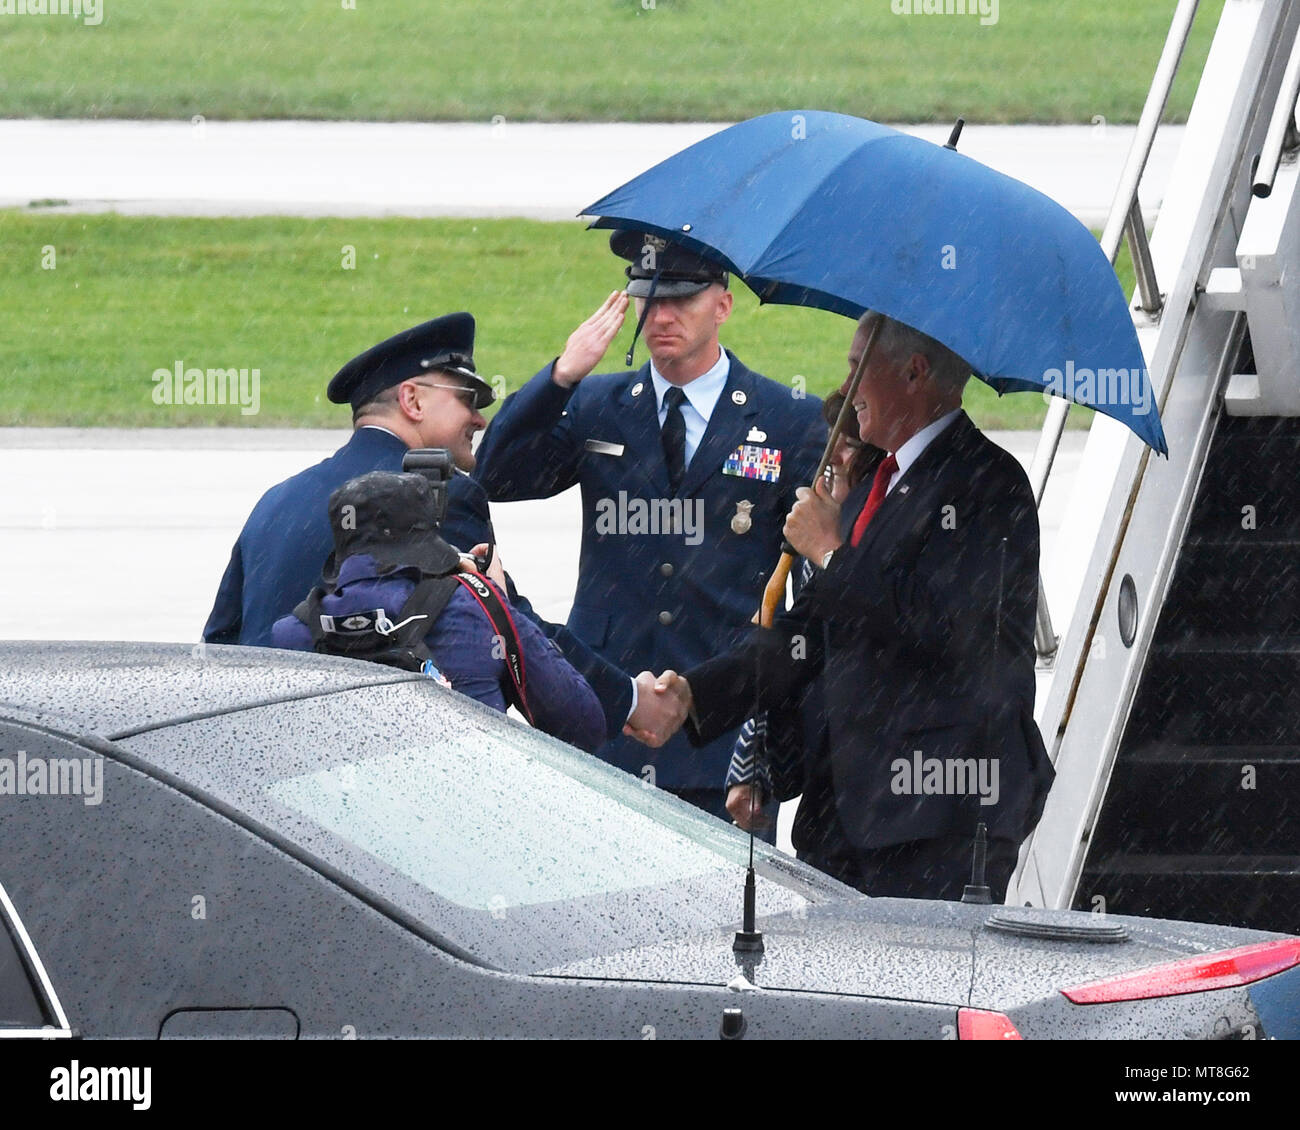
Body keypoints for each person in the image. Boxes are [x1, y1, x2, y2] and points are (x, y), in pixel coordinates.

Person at [637, 311, 1056, 900]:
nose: (844, 390)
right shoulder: (876, 484)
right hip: (844, 816)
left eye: (859, 369)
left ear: (914, 374)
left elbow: (952, 631)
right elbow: (807, 632)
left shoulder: (988, 483)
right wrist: (696, 695)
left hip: (937, 817)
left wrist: (834, 553)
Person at [202, 312, 685, 746]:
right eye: (467, 398)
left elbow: (221, 651)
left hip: (268, 774)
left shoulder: (276, 501)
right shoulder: (435, 495)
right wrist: (628, 699)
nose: (479, 418)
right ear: (412, 400)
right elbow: (512, 631)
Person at [473, 232, 827, 822]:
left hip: (720, 726)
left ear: (723, 304)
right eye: (649, 298)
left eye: (681, 299)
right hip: (611, 716)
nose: (660, 315)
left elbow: (813, 578)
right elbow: (498, 476)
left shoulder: (789, 419)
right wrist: (559, 377)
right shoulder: (599, 404)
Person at [271, 471, 605, 752]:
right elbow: (582, 724)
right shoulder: (474, 608)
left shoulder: (290, 634)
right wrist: (497, 600)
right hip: (464, 814)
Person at [723, 391, 883, 832]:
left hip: (899, 797)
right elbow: (793, 641)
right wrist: (751, 760)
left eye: (849, 447)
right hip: (826, 796)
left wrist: (830, 553)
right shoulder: (824, 508)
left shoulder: (897, 514)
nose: (834, 455)